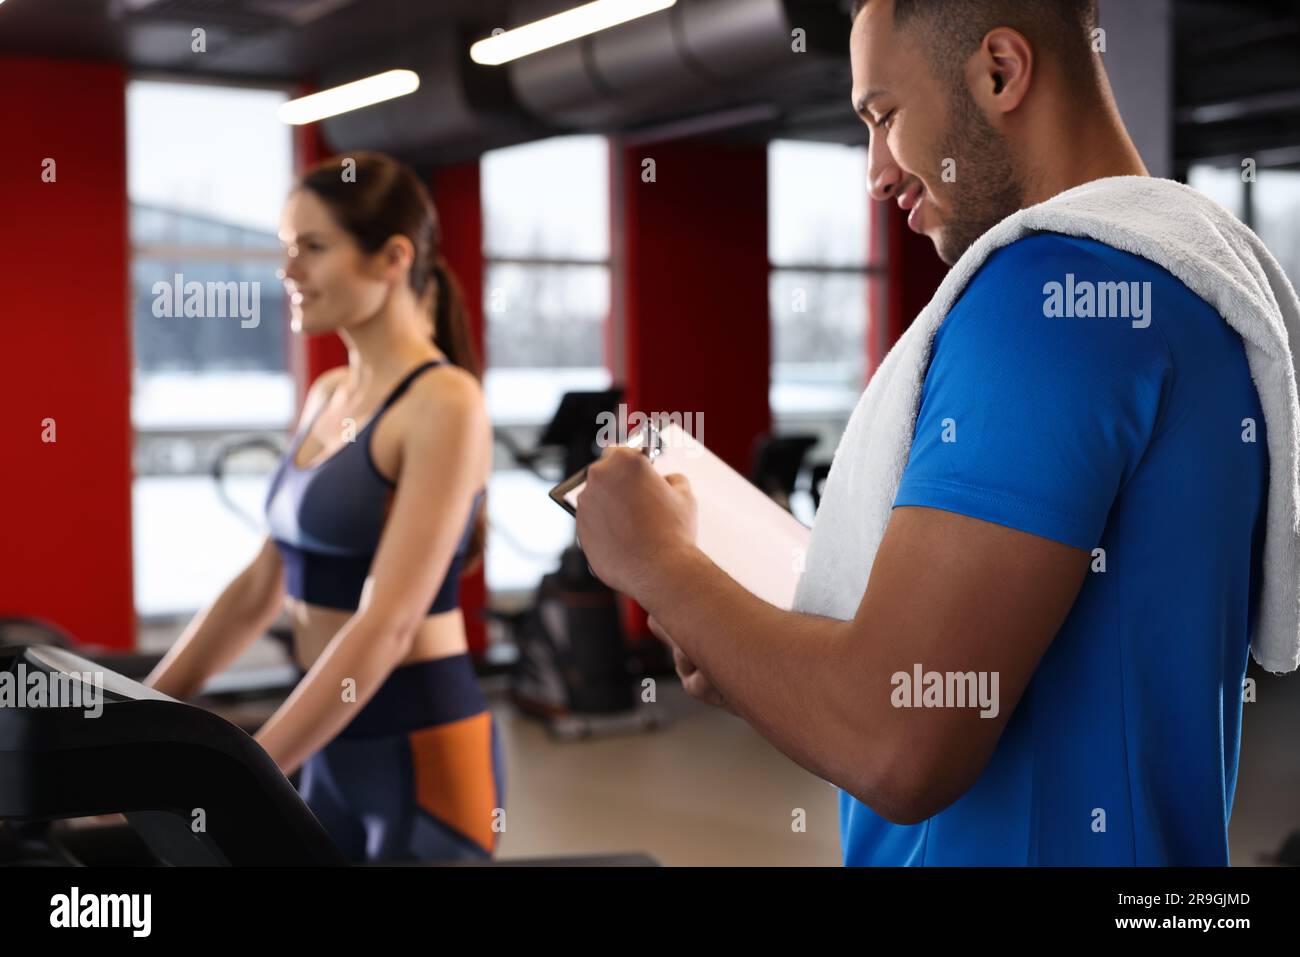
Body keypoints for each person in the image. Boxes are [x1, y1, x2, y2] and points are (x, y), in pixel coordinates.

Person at [573, 0, 1298, 865]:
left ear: (1000, 71)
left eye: (884, 117)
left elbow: (897, 740)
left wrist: (660, 564)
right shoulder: (1185, 289)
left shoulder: (1046, 298)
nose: (877, 173)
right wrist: (749, 654)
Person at [146, 151, 502, 864]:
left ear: (392, 257)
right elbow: (258, 586)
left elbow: (390, 621)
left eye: (314, 247)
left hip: (421, 744)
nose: (289, 271)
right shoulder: (329, 394)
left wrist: (249, 769)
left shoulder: (445, 403)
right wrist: (138, 709)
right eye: (286, 249)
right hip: (329, 743)